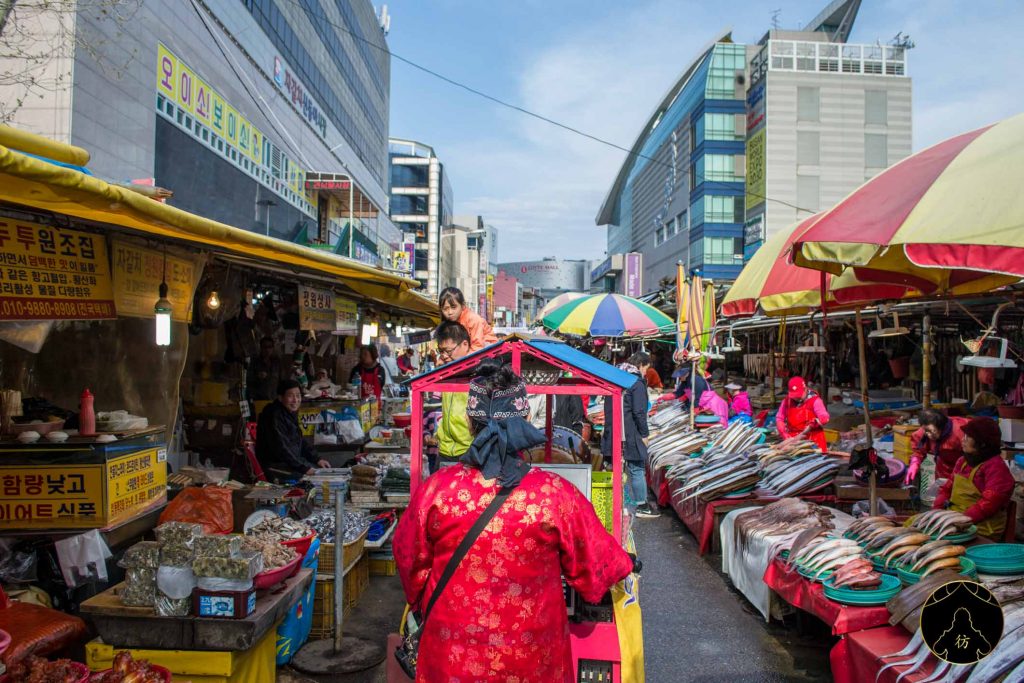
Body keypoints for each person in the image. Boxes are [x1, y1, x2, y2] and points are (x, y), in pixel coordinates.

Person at [394, 361, 634, 683]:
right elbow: (595, 567)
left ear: (469, 421)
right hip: (532, 662)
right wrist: (628, 561)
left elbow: (409, 558)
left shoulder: (438, 490)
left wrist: (423, 601)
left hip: (451, 657)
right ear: (524, 421)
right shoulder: (554, 495)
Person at [933, 417, 1015, 540]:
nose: (963, 440)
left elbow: (989, 503)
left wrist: (960, 519)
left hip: (982, 526)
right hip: (956, 517)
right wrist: (936, 510)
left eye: (967, 437)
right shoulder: (963, 461)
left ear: (982, 443)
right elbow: (947, 488)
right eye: (963, 436)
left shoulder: (996, 467)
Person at [602, 351, 658, 517]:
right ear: (640, 365)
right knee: (636, 467)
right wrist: (644, 433)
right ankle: (642, 505)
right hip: (629, 432)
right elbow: (639, 412)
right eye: (645, 369)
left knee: (614, 468)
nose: (645, 373)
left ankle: (612, 503)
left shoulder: (616, 377)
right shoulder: (636, 382)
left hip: (613, 429)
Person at [255, 379, 331, 477]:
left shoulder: (288, 413)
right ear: (280, 397)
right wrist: (303, 468)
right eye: (290, 396)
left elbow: (300, 440)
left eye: (298, 395)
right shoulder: (273, 416)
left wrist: (317, 459)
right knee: (317, 478)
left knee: (322, 471)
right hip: (275, 467)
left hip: (291, 462)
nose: (295, 400)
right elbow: (281, 448)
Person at [434, 321, 474, 463]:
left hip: (469, 449)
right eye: (441, 351)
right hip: (445, 448)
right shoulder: (445, 370)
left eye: (448, 351)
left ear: (465, 345)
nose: (444, 356)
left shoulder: (478, 374)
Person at [905, 409, 969, 485]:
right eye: (926, 430)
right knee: (943, 490)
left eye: (931, 431)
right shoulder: (924, 431)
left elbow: (975, 452)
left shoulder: (961, 430)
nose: (928, 434)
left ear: (941, 426)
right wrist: (915, 462)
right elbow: (918, 450)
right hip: (943, 467)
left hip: (966, 466)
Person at [776, 376, 830, 451]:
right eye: (794, 396)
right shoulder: (787, 401)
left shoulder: (815, 400)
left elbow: (825, 417)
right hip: (793, 440)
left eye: (799, 395)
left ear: (805, 389)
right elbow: (779, 418)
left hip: (813, 441)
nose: (797, 398)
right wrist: (784, 433)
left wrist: (814, 423)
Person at [438, 286, 497, 351]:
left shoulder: (473, 319)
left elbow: (478, 346)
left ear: (463, 305)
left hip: (489, 349)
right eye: (445, 309)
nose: (450, 312)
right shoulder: (447, 323)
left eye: (453, 307)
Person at [247, 336, 281, 401]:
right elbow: (248, 379)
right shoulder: (254, 362)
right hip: (258, 398)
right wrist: (257, 376)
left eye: (270, 347)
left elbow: (280, 379)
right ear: (261, 348)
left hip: (274, 397)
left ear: (273, 348)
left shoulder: (276, 362)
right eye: (264, 347)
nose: (267, 349)